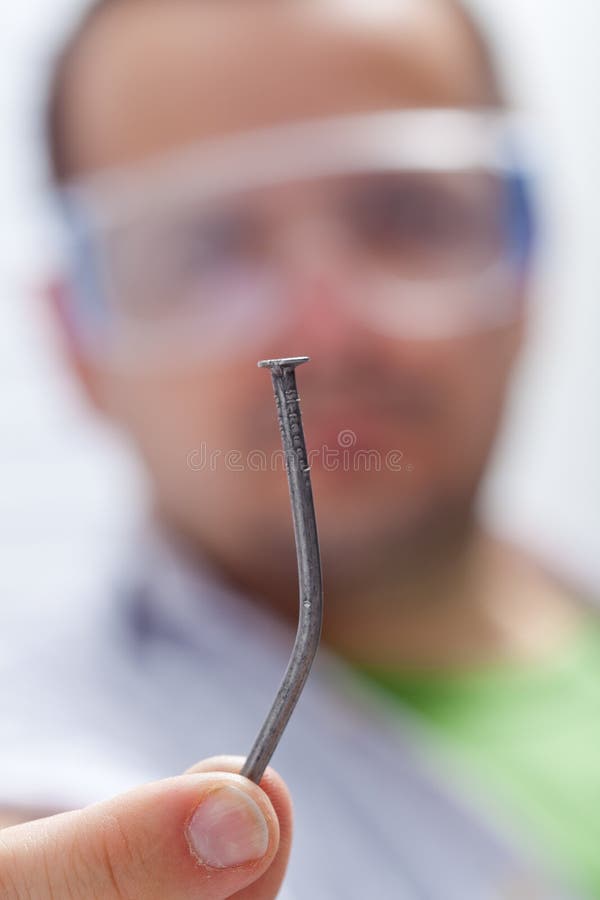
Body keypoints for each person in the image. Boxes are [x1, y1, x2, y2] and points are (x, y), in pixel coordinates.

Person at [0, 0, 599, 896]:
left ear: (524, 247)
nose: (326, 330)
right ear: (76, 344)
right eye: (202, 246)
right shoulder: (40, 761)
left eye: (405, 212)